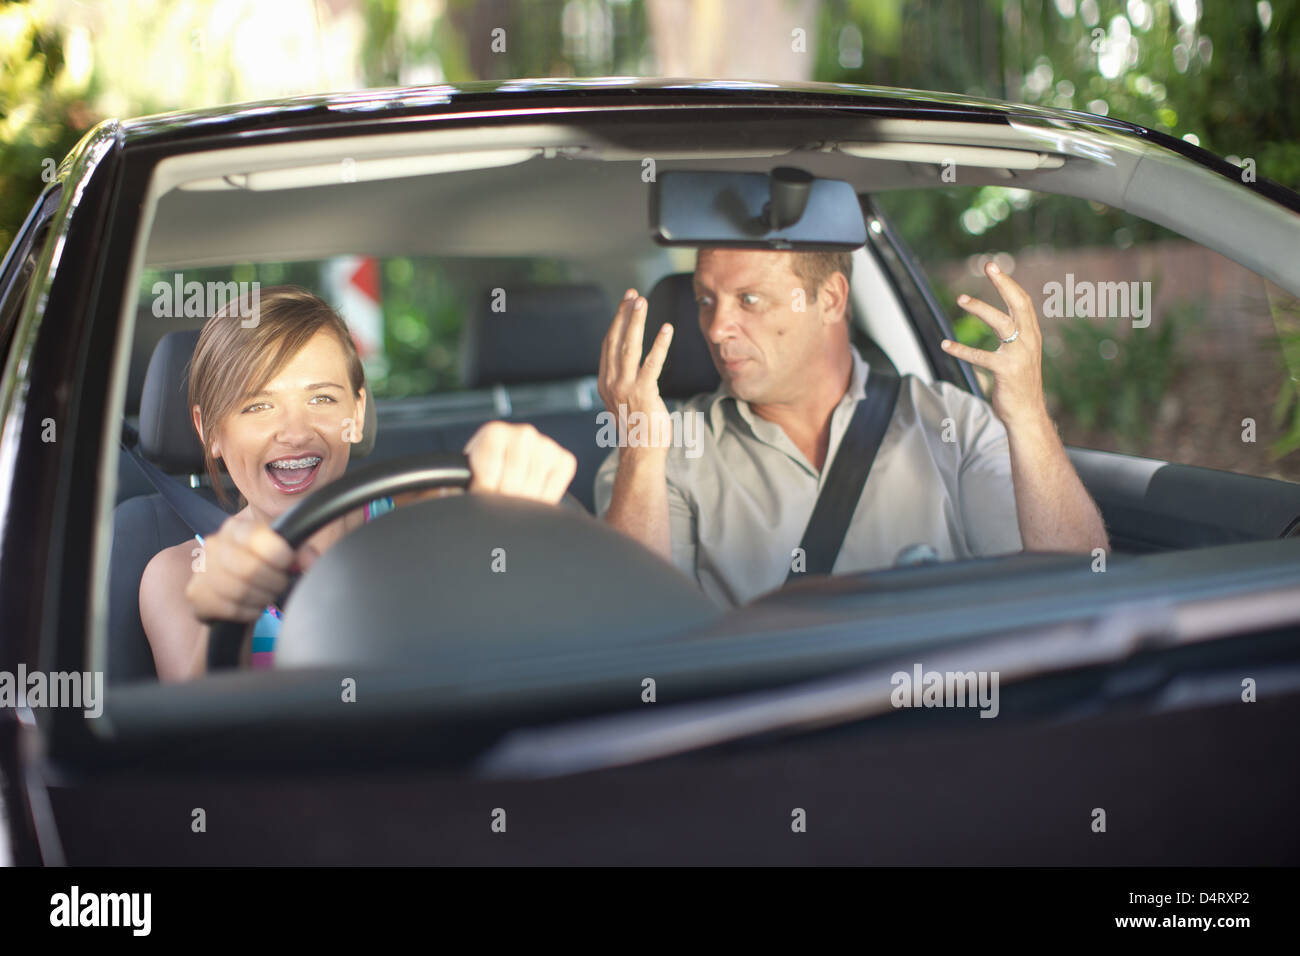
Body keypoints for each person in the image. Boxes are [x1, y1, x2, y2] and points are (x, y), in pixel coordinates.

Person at [594, 248, 1109, 607]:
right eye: (705, 301)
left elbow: (1078, 581)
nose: (716, 327)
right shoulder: (661, 453)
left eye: (749, 300)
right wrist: (639, 450)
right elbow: (636, 631)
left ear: (832, 299)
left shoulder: (950, 422)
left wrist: (1027, 415)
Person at [140, 287, 577, 681]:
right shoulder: (178, 574)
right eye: (258, 405)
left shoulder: (425, 516)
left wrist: (510, 482)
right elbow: (197, 748)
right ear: (210, 430)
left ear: (356, 412)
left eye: (322, 399)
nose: (295, 432)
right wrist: (227, 616)